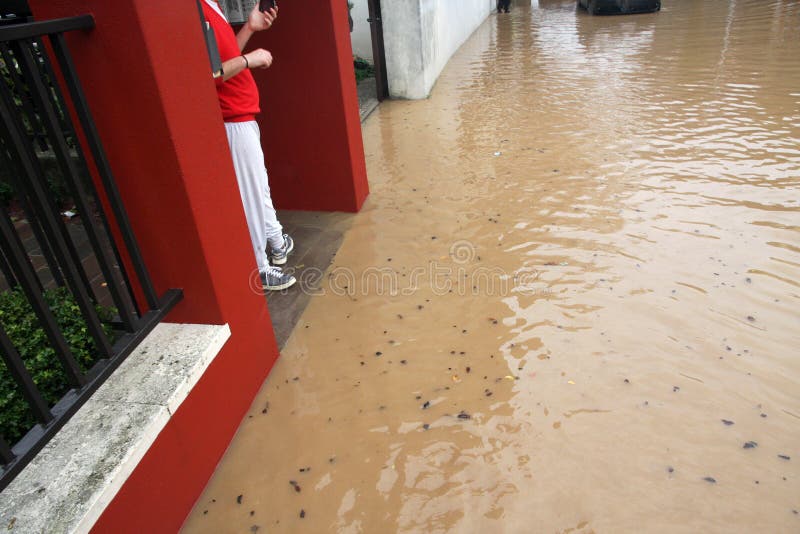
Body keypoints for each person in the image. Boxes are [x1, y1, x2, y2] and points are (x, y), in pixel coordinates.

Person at [202, 0, 296, 291]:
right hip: (232, 118)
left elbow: (222, 57)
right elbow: (210, 73)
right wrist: (249, 60)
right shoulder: (195, 10)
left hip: (242, 114)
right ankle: (260, 268)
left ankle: (276, 241)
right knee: (251, 195)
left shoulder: (211, 6)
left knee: (259, 186)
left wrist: (250, 28)